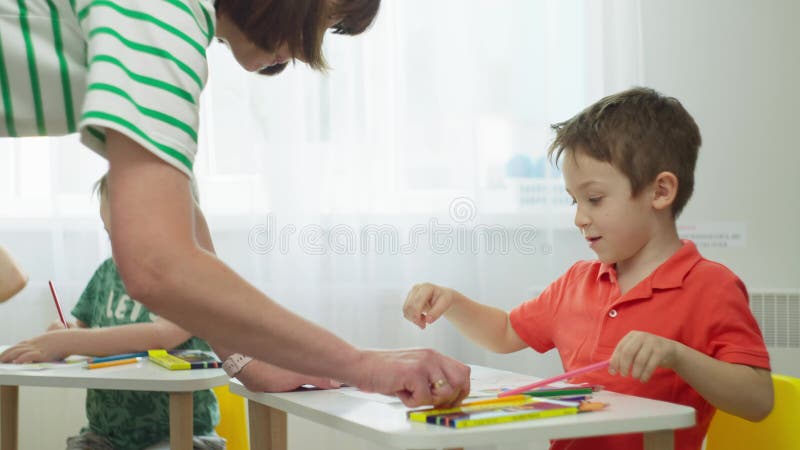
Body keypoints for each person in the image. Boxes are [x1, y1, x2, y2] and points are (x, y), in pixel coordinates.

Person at [0, 0, 469, 407]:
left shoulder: (169, 23)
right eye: (325, 19)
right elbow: (159, 266)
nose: (308, 49)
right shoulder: (165, 15)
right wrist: (362, 365)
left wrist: (248, 359)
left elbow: (180, 242)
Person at [402, 87, 773, 450]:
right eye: (574, 201)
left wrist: (678, 356)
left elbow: (758, 400)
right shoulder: (577, 282)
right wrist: (452, 302)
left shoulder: (710, 286)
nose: (579, 218)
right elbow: (504, 332)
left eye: (594, 199)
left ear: (660, 192)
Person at [0, 174, 342, 450]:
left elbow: (164, 334)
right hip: (104, 435)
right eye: (110, 233)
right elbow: (81, 328)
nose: (118, 246)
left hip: (182, 434)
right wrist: (64, 332)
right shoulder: (105, 274)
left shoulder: (186, 282)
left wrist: (69, 341)